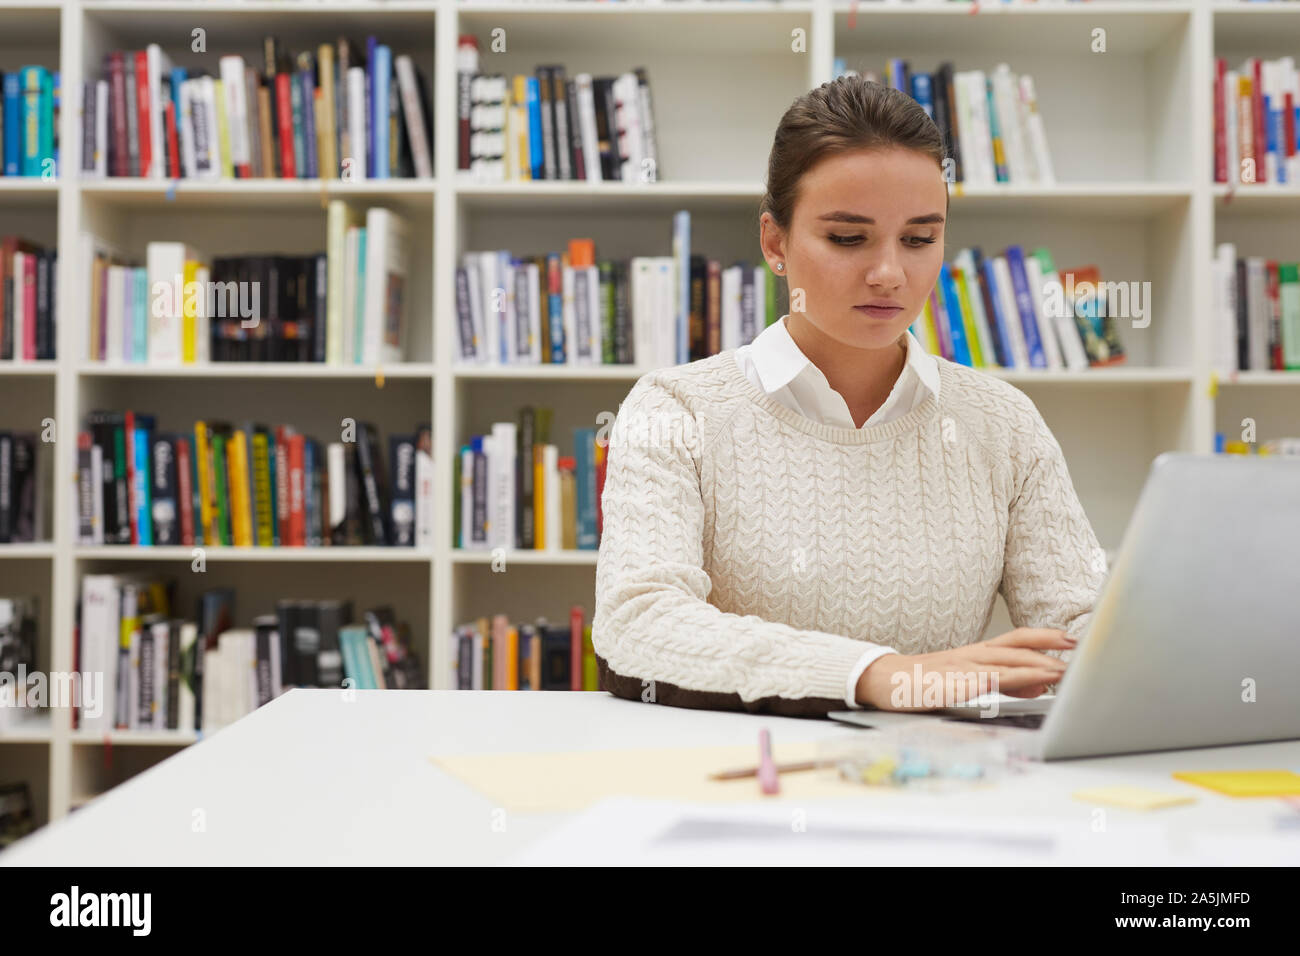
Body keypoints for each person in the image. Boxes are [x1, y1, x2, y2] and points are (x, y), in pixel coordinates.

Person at [591, 76, 1107, 716]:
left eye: (919, 239)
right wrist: (873, 674)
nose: (890, 273)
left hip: (932, 783)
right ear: (775, 243)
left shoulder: (1001, 423)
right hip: (741, 781)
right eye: (847, 237)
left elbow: (1079, 624)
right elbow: (639, 623)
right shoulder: (677, 410)